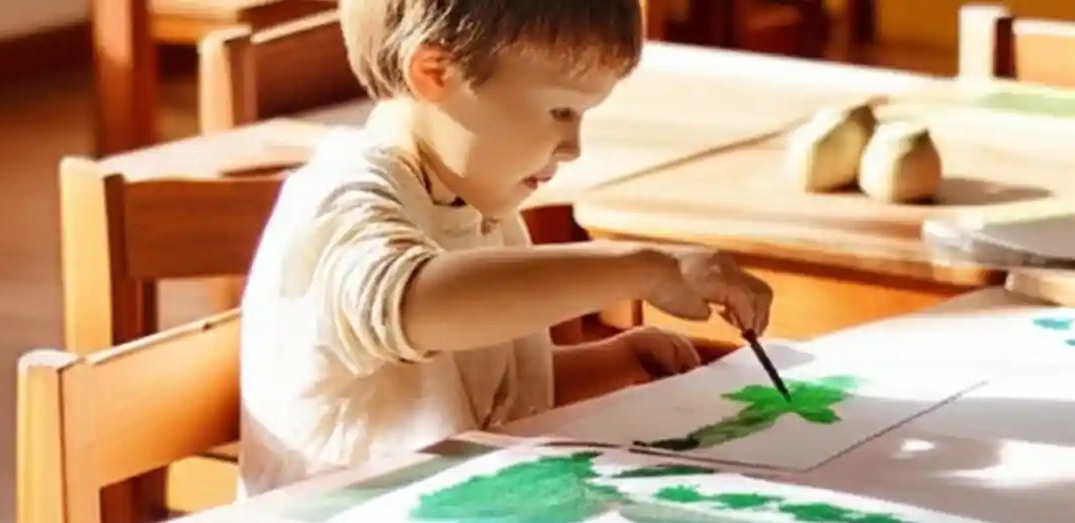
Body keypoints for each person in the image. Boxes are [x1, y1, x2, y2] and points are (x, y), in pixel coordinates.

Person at [237, 0, 773, 496]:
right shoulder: (343, 201)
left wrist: (611, 362)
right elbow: (416, 306)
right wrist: (643, 269)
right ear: (436, 73)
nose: (573, 146)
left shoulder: (472, 200)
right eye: (561, 111)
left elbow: (480, 396)